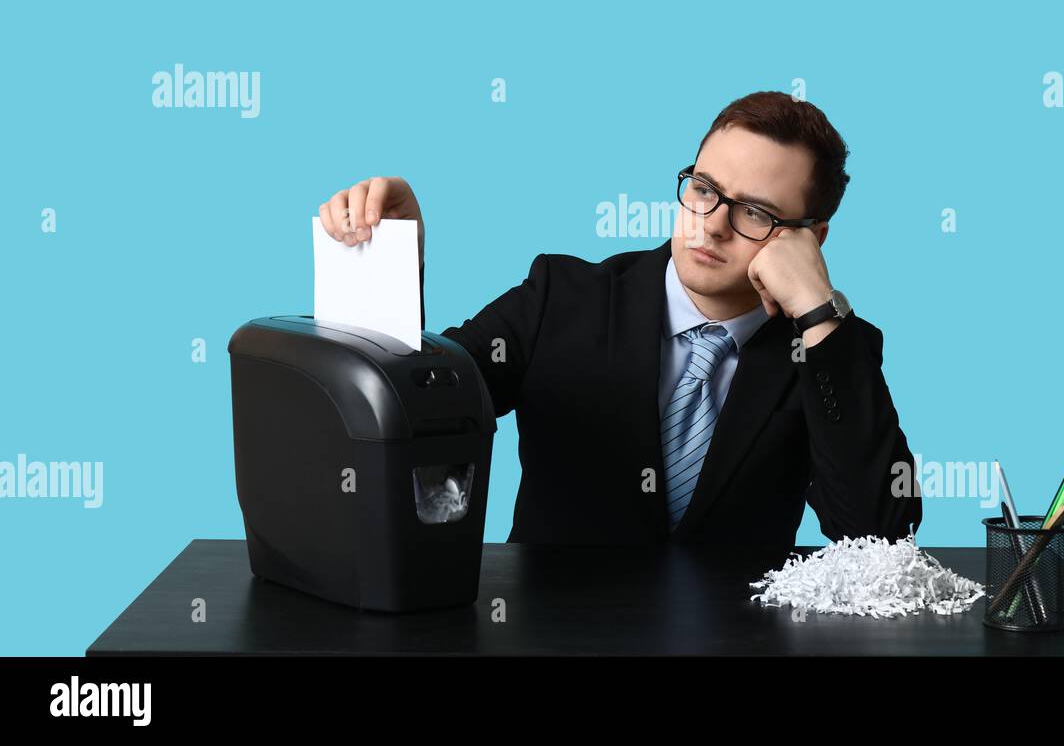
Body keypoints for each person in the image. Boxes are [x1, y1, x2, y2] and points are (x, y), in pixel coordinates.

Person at [318, 91, 922, 549]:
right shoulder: (562, 297)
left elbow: (879, 537)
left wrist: (817, 314)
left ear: (810, 238)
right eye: (705, 187)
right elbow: (413, 411)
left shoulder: (829, 351)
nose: (709, 223)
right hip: (552, 640)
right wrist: (388, 266)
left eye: (756, 213)